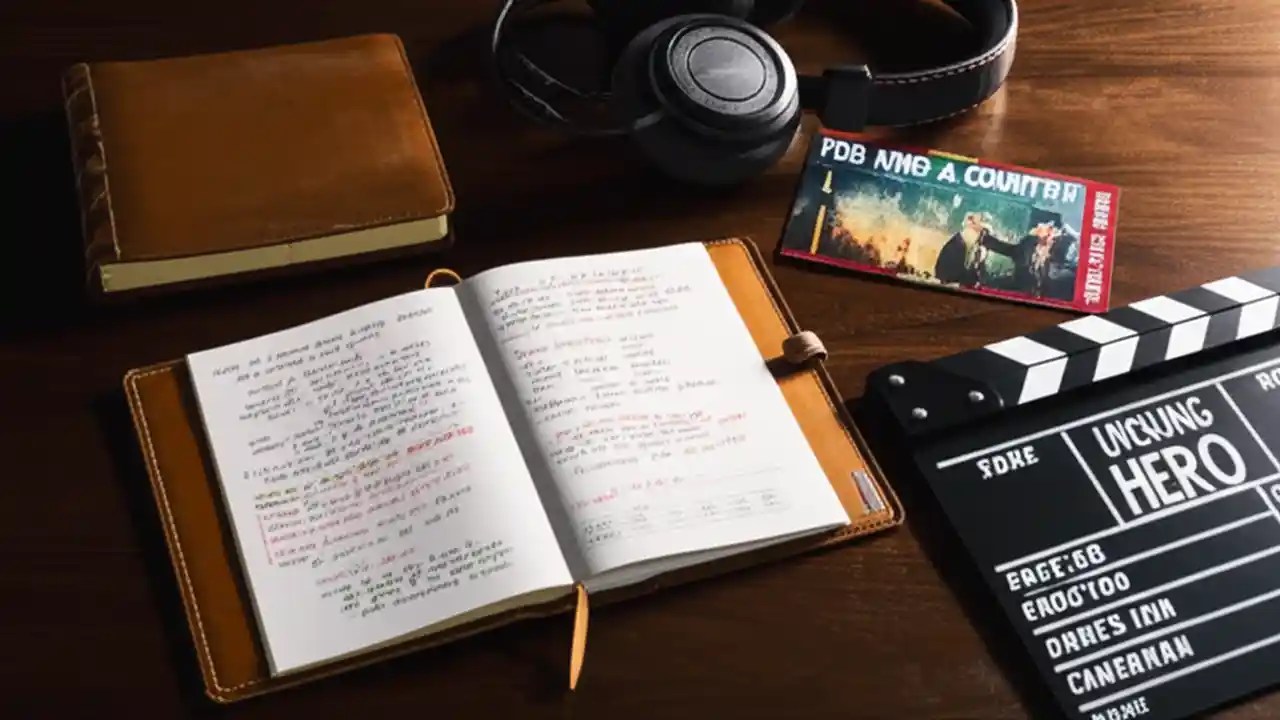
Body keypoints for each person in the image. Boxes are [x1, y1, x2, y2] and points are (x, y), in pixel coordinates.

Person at [934, 212, 996, 286]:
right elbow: (958, 278)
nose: (982, 237)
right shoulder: (956, 247)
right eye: (982, 233)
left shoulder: (962, 244)